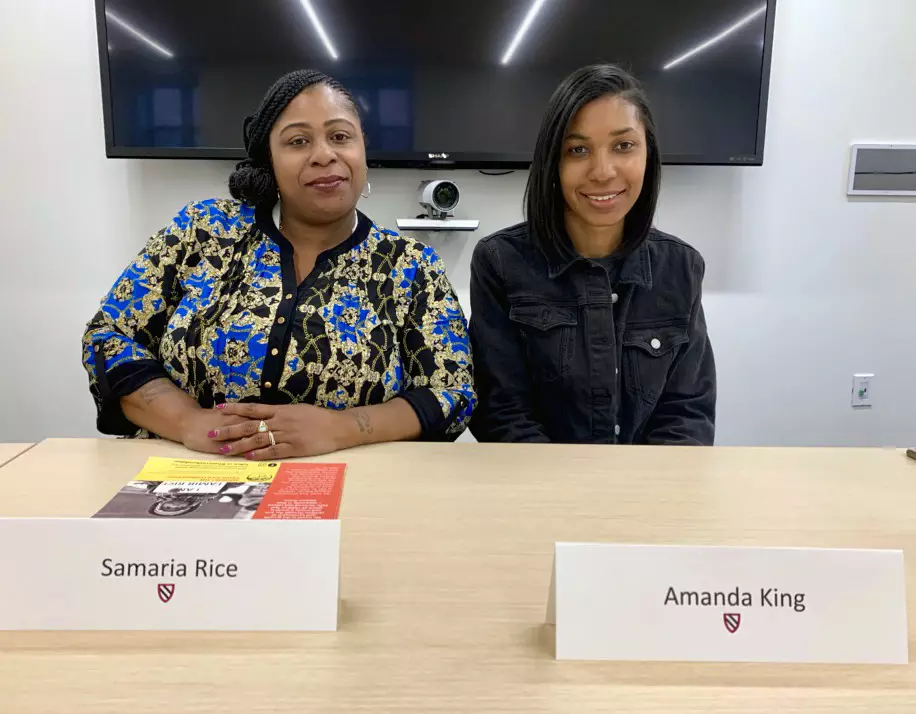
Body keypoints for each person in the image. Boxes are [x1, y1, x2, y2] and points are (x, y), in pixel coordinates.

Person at [83, 69, 475, 459]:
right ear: (268, 159)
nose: (325, 155)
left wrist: (343, 427)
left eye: (341, 137)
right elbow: (109, 335)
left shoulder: (411, 265)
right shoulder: (202, 231)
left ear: (362, 149)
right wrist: (187, 422)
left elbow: (452, 391)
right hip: (186, 481)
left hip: (351, 490)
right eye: (298, 141)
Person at [469, 64, 715, 445]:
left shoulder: (681, 267)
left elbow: (687, 415)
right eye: (578, 150)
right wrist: (569, 497)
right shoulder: (499, 261)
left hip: (649, 493)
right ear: (554, 162)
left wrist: (637, 498)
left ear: (648, 153)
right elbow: (501, 412)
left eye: (624, 146)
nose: (603, 172)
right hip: (538, 488)